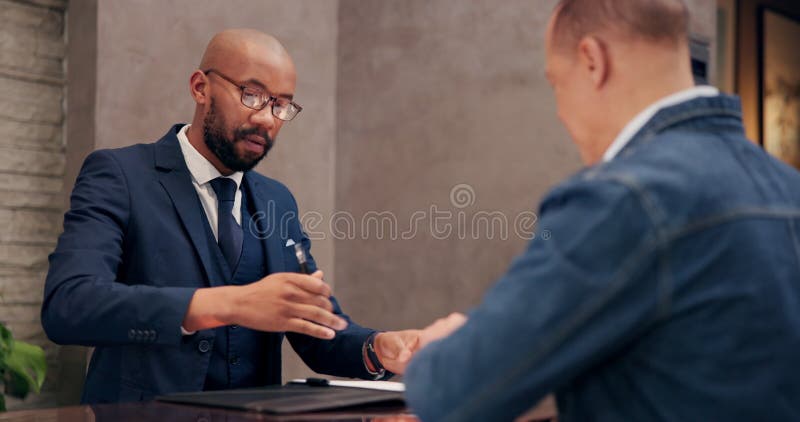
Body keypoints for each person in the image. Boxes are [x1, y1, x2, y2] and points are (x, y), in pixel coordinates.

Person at [405, 0, 800, 420]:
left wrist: (439, 348)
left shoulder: (621, 199)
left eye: (556, 84)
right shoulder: (788, 188)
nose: (559, 112)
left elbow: (454, 392)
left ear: (593, 61)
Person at [42, 29, 419, 404]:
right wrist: (229, 304)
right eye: (251, 95)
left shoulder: (278, 200)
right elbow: (70, 305)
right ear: (200, 87)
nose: (268, 120)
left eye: (281, 105)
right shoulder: (119, 175)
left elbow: (315, 329)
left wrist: (377, 349)